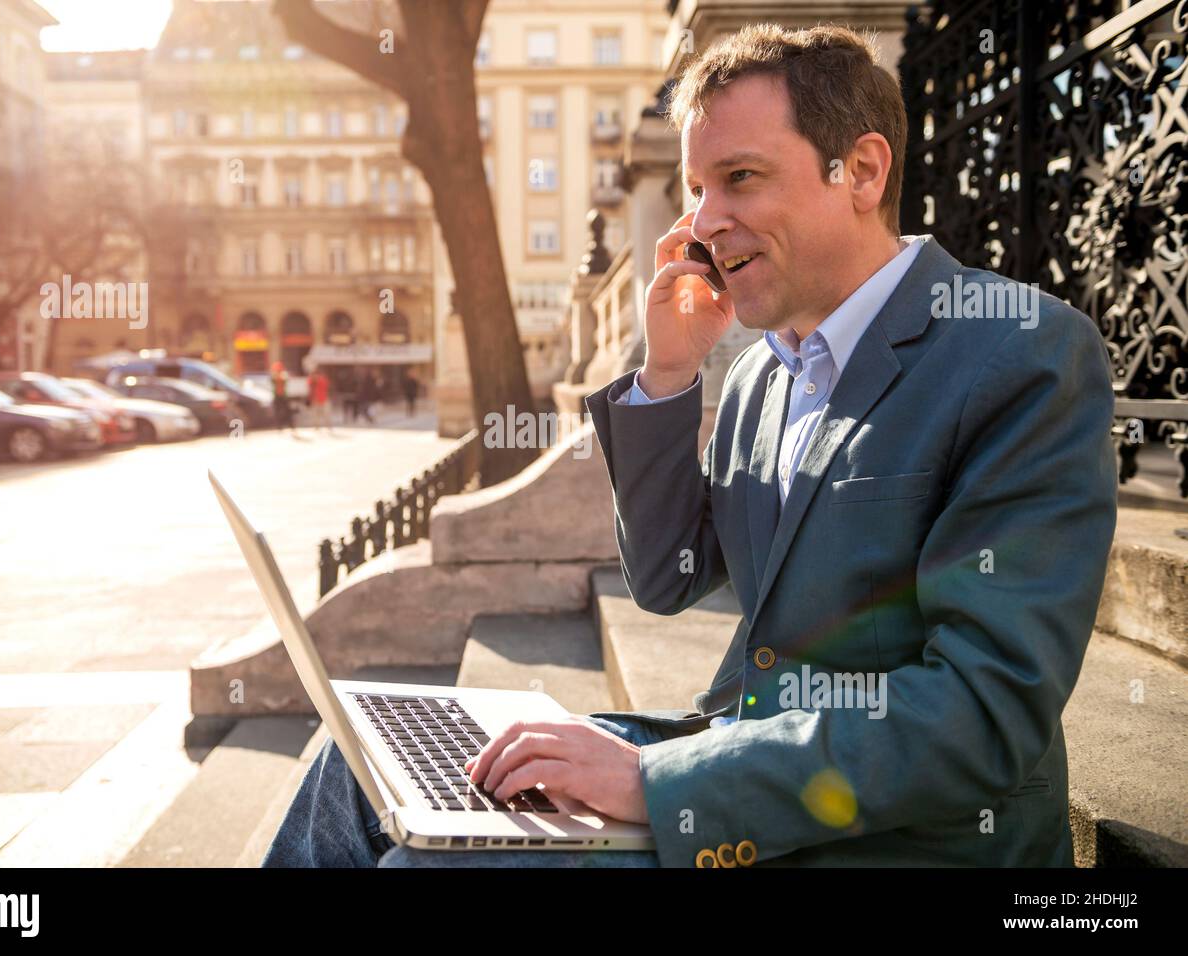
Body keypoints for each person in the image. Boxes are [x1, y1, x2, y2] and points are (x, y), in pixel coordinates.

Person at [262, 22, 1117, 868]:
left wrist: (656, 780)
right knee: (354, 762)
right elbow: (669, 577)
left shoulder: (1021, 353)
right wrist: (668, 376)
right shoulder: (757, 375)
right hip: (734, 765)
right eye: (695, 189)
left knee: (440, 861)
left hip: (899, 840)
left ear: (859, 171)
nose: (704, 223)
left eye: (739, 178)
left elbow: (981, 714)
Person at [307, 367, 335, 432]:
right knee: (315, 414)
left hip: (324, 399)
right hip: (315, 399)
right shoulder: (311, 380)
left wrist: (317, 380)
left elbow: (327, 386)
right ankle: (316, 426)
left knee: (326, 413)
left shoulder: (322, 380)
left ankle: (328, 426)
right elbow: (309, 388)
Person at [270, 361, 294, 431]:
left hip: (283, 396)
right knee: (277, 412)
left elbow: (285, 381)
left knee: (287, 411)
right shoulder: (274, 376)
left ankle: (290, 425)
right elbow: (272, 381)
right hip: (277, 396)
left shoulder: (283, 376)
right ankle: (279, 426)